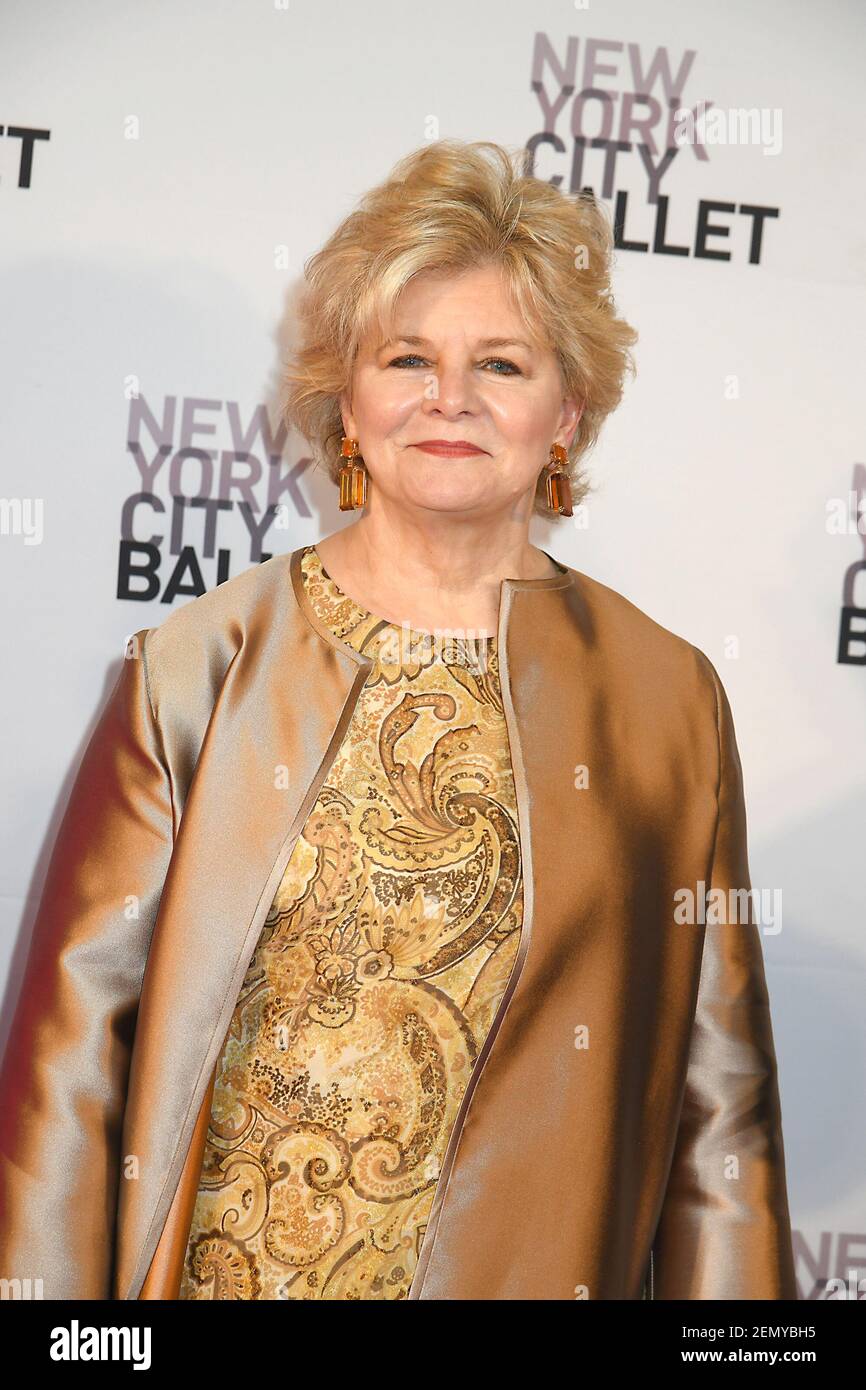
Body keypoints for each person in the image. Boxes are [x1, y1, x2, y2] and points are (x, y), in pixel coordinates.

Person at [0, 139, 797, 1301]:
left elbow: (718, 1105)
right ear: (347, 397)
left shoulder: (661, 699)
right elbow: (69, 1068)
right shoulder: (200, 668)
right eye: (407, 356)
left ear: (566, 411)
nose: (448, 398)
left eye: (502, 365)